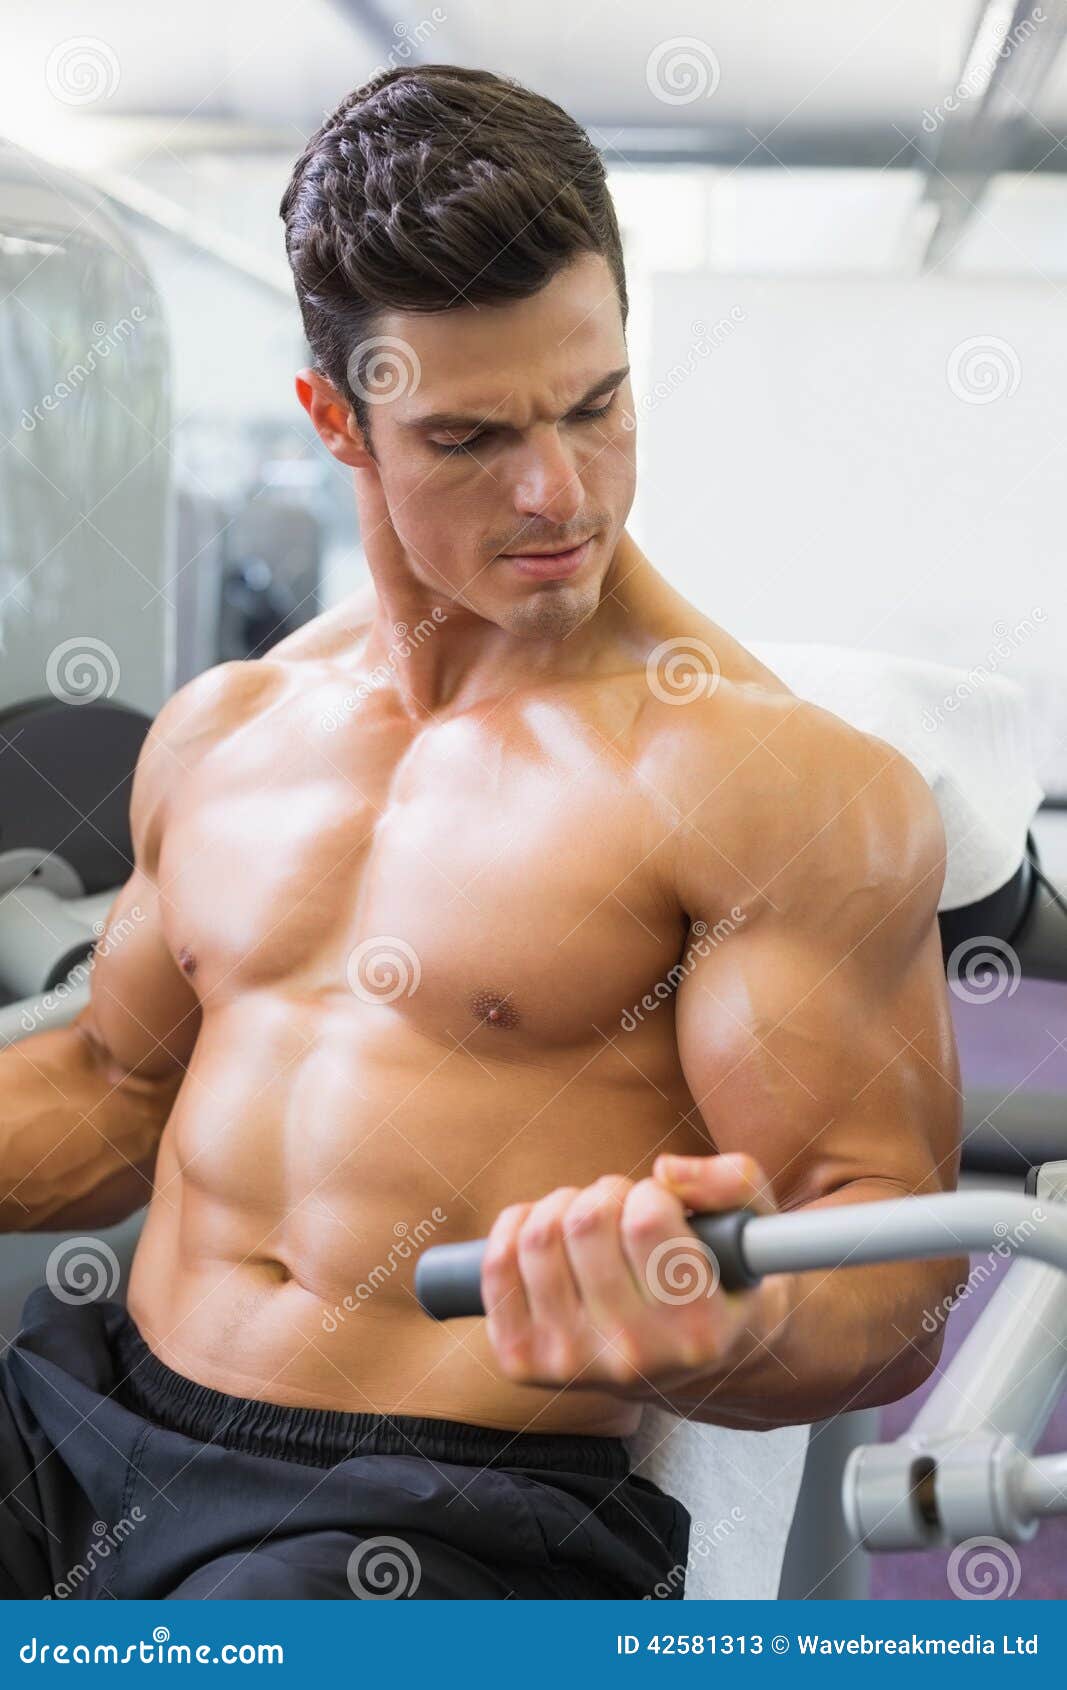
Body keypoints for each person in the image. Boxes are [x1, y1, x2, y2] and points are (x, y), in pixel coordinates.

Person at [0, 64, 964, 1602]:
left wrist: (726, 1325)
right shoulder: (228, 728)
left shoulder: (769, 782)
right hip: (86, 1419)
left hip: (437, 1508)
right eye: (468, 437)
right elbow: (116, 1091)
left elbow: (895, 1257)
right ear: (339, 420)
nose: (557, 492)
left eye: (596, 404)